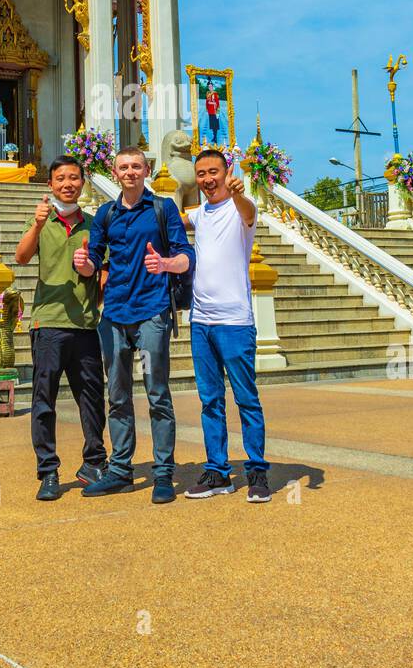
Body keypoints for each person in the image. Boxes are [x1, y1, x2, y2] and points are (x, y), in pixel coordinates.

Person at [73, 146, 194, 505]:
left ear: (146, 170)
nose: (130, 172)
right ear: (115, 172)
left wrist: (168, 265)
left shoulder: (162, 208)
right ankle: (121, 470)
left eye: (136, 167)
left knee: (158, 393)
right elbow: (95, 258)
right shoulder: (106, 214)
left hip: (153, 310)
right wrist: (85, 264)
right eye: (124, 167)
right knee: (118, 395)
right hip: (114, 312)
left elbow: (186, 253)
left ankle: (162, 474)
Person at [15, 156, 108, 501]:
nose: (67, 184)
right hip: (48, 322)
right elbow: (21, 257)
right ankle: (48, 471)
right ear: (50, 185)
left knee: (92, 398)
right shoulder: (41, 218)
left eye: (73, 178)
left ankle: (94, 463)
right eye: (60, 179)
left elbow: (104, 270)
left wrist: (92, 278)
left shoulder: (95, 224)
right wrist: (38, 226)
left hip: (84, 324)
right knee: (44, 400)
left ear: (83, 183)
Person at [183, 148, 271, 503]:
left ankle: (257, 471)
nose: (207, 179)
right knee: (210, 400)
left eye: (213, 172)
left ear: (226, 171)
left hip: (234, 322)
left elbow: (250, 212)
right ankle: (218, 471)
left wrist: (239, 194)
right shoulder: (199, 214)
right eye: (201, 173)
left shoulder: (241, 210)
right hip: (201, 321)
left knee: (246, 398)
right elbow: (166, 218)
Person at [205, 80, 221, 144]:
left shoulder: (215, 93)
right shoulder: (208, 93)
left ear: (212, 87)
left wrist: (217, 111)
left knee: (215, 126)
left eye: (211, 86)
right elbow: (207, 102)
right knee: (212, 125)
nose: (210, 87)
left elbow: (217, 102)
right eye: (209, 86)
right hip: (210, 111)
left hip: (215, 111)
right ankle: (214, 137)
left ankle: (215, 137)